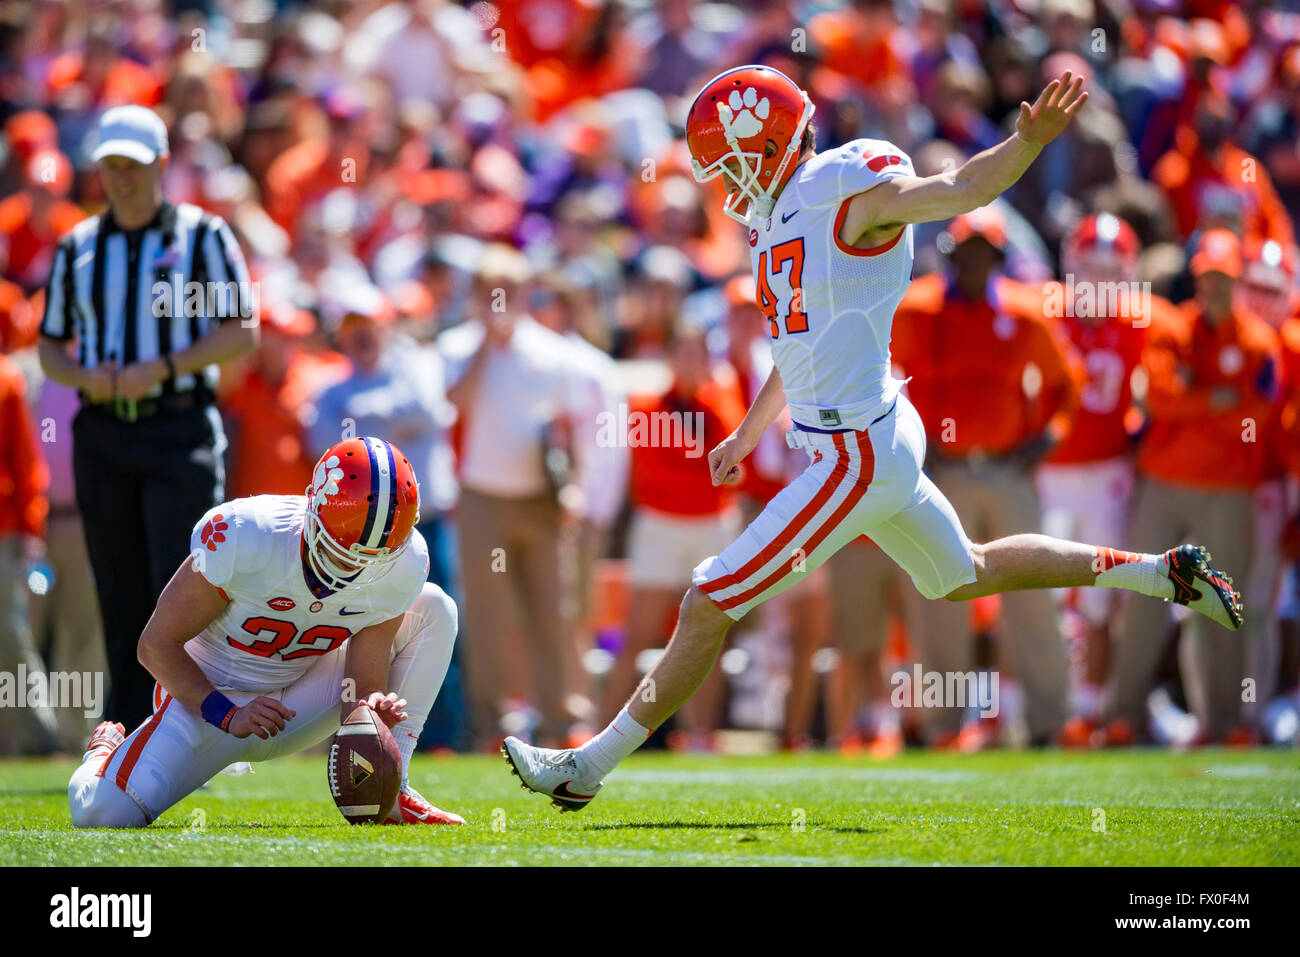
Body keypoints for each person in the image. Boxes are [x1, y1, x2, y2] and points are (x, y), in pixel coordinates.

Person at [502, 65, 1244, 811]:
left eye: (727, 164)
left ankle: (586, 765)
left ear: (763, 147)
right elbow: (800, 347)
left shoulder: (843, 189)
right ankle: (1161, 573)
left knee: (706, 598)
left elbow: (959, 192)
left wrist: (1024, 142)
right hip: (868, 437)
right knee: (964, 572)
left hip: (856, 449)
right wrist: (751, 430)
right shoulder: (780, 216)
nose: (723, 186)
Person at [66, 436, 463, 828]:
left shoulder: (404, 564)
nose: (351, 572)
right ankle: (105, 752)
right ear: (312, 504)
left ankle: (395, 792)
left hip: (299, 699)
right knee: (101, 814)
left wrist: (370, 715)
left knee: (434, 608)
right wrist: (226, 714)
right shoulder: (245, 534)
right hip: (207, 701)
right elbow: (154, 646)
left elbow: (357, 693)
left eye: (368, 562)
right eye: (338, 552)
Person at [38, 105, 257, 730]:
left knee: (185, 582)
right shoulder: (77, 246)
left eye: (132, 166)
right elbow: (51, 344)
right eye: (111, 165)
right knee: (118, 583)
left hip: (177, 425)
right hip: (103, 429)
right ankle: (130, 729)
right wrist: (87, 378)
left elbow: (242, 330)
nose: (121, 178)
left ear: (161, 165)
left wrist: (162, 366)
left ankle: (201, 722)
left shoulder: (202, 235)